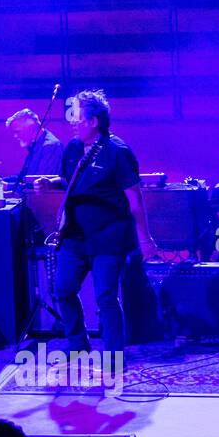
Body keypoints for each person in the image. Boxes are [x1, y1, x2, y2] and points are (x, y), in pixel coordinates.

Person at [34, 89, 158, 353]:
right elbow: (71, 180)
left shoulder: (118, 152)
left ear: (94, 121)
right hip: (74, 237)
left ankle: (113, 354)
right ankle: (78, 343)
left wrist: (144, 238)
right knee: (63, 289)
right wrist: (52, 181)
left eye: (77, 117)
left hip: (107, 238)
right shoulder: (73, 149)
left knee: (105, 297)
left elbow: (135, 200)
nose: (72, 122)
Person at [6, 107, 64, 179]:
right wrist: (1, 182)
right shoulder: (34, 146)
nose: (15, 136)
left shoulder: (51, 146)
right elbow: (23, 177)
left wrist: (7, 186)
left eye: (17, 131)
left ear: (30, 128)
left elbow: (42, 182)